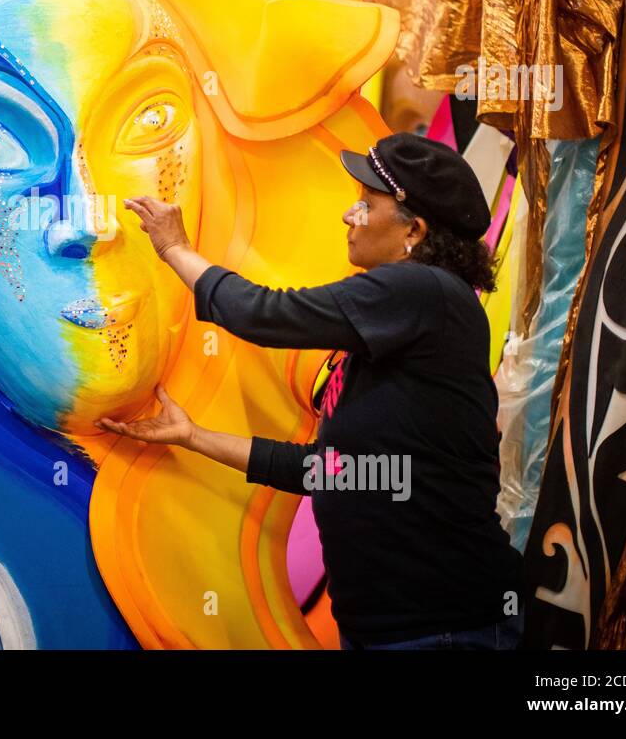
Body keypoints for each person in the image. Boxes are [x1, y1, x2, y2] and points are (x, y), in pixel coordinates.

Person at [99, 132, 525, 650]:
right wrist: (192, 436)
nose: (350, 216)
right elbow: (331, 472)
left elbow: (263, 313)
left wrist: (174, 249)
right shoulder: (402, 323)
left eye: (366, 205)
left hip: (445, 630)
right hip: (390, 630)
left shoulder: (423, 291)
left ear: (413, 230)